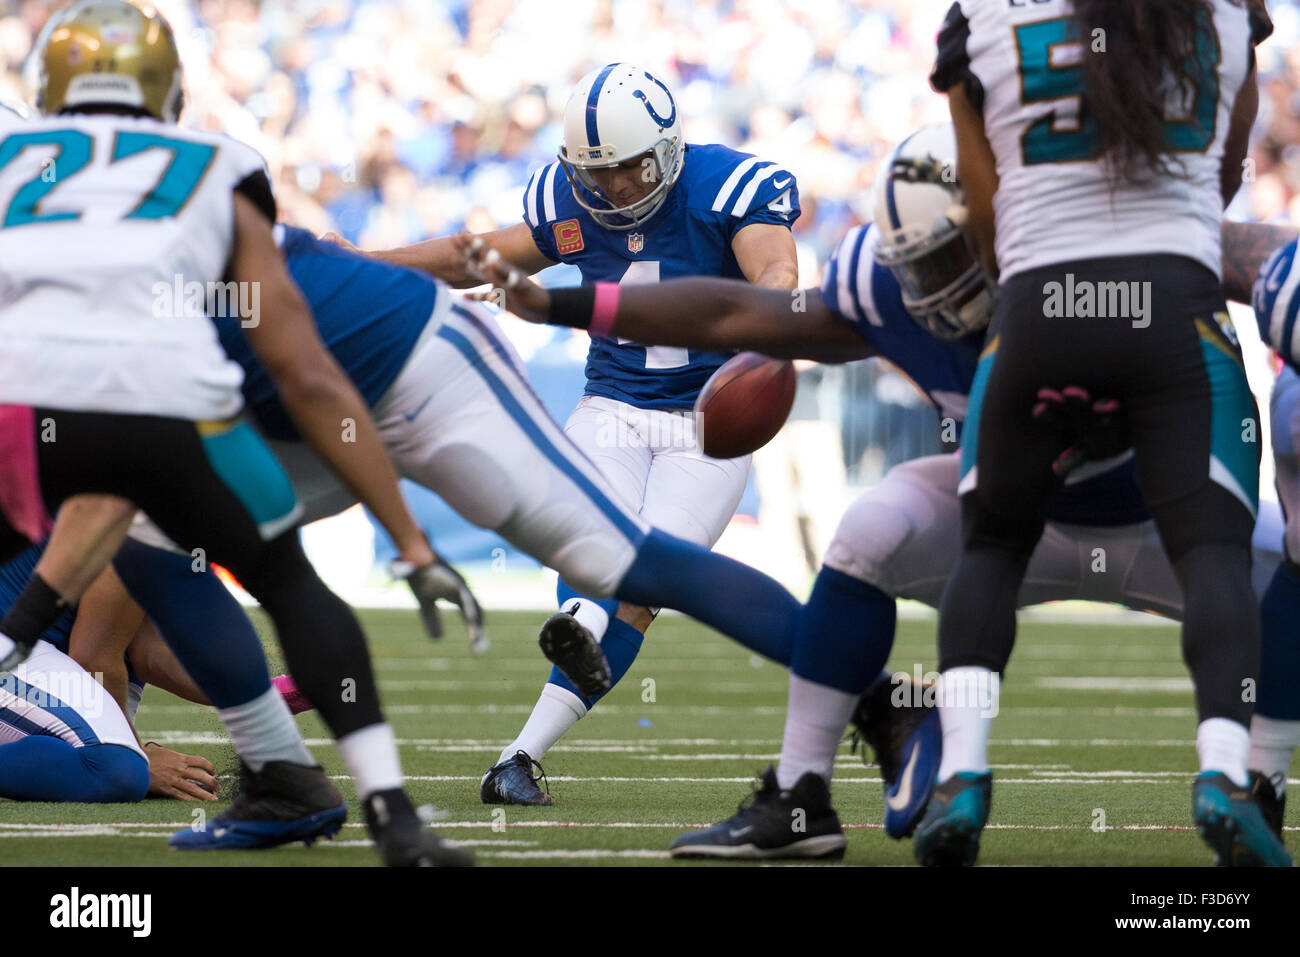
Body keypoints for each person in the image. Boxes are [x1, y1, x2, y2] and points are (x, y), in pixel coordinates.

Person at [455, 128, 1294, 862]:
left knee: (1279, 592)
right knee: (867, 531)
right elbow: (745, 314)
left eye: (950, 257)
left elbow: (1244, 290)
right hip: (1005, 513)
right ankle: (801, 793)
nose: (932, 282)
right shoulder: (887, 282)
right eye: (917, 259)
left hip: (1161, 522)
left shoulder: (1117, 282)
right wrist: (561, 299)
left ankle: (1255, 780)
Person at [0, 0, 469, 866]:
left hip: (66, 473)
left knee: (178, 567)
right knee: (263, 594)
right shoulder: (202, 189)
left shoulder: (32, 202)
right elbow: (302, 361)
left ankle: (305, 781)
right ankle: (387, 809)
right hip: (159, 438)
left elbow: (128, 629)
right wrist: (407, 537)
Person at [344, 62, 802, 805]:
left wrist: (772, 319)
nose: (616, 187)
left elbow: (775, 269)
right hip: (613, 405)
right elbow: (473, 256)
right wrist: (359, 264)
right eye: (599, 172)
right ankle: (534, 722)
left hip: (706, 422)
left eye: (628, 168)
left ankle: (550, 685)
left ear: (667, 147)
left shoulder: (728, 186)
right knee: (594, 547)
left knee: (646, 580)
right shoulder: (569, 202)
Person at [923, 0, 1286, 866]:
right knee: (1212, 554)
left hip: (1037, 307)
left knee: (993, 544)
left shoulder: (975, 15)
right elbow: (1229, 160)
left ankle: (963, 775)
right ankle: (1223, 773)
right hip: (1174, 305)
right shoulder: (1228, 9)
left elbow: (980, 203)